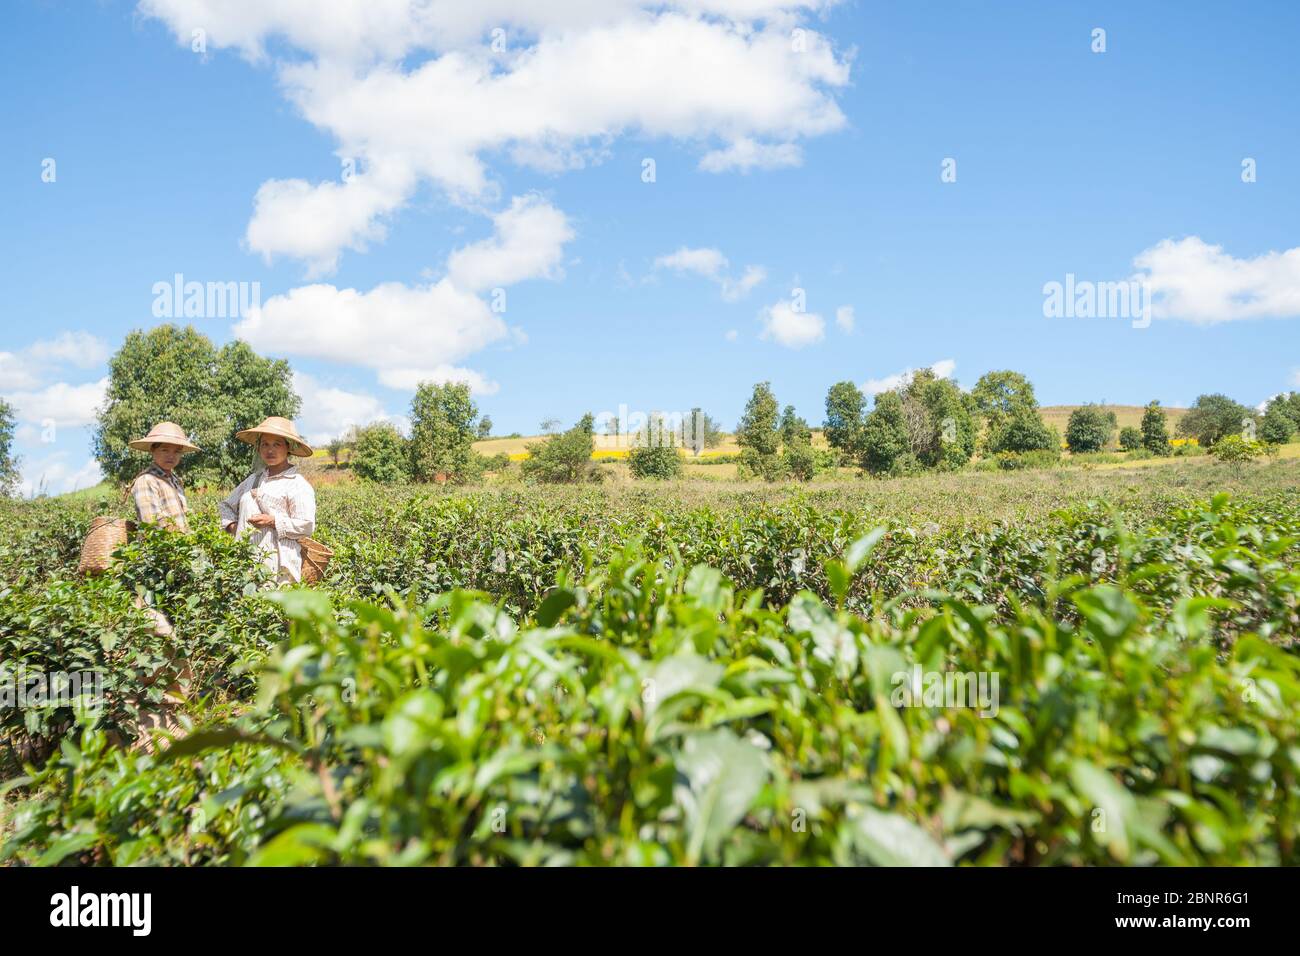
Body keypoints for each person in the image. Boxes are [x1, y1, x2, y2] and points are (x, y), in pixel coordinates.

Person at [220, 416, 316, 585]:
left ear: (288, 447)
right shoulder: (253, 480)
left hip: (280, 566)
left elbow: (306, 525)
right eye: (265, 444)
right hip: (246, 562)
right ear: (258, 448)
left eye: (276, 444)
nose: (270, 450)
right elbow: (226, 506)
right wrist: (236, 528)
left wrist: (272, 521)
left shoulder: (297, 484)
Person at [127, 421, 199, 532]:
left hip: (181, 545)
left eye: (177, 452)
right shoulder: (147, 480)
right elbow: (151, 522)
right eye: (164, 450)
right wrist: (179, 536)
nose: (171, 456)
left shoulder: (175, 481)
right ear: (153, 450)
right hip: (159, 547)